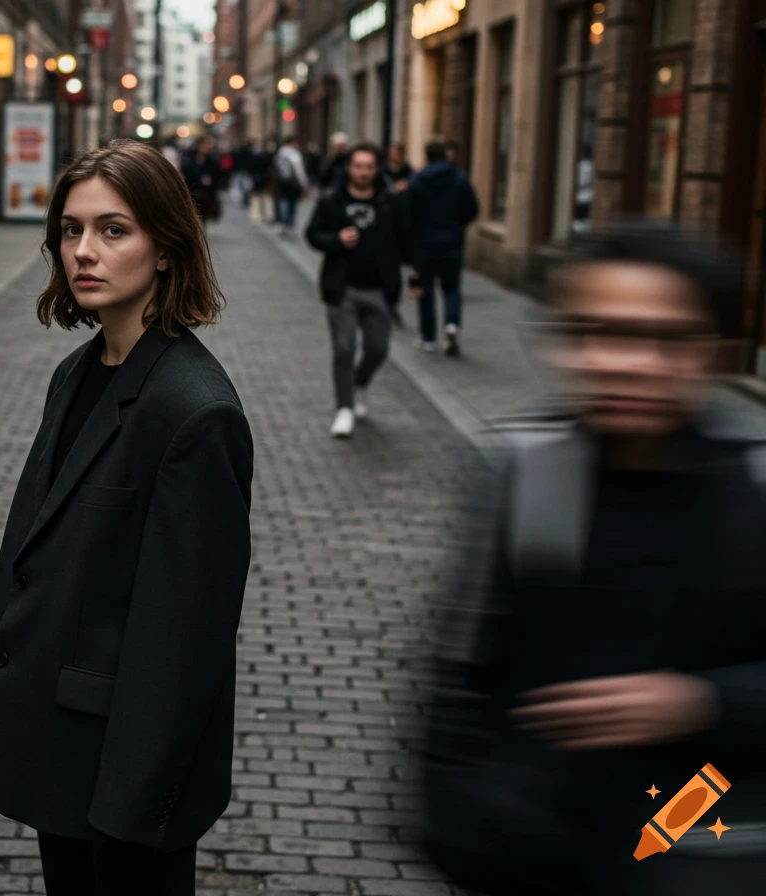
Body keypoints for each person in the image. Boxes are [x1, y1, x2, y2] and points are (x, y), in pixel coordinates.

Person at [422, 220, 766, 896]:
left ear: (714, 353)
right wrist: (476, 820)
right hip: (533, 842)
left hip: (697, 824)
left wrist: (703, 702)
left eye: (664, 339)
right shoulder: (523, 471)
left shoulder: (754, 487)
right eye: (595, 331)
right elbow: (461, 681)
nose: (625, 361)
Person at [0, 140, 254, 896]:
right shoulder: (79, 372)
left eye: (113, 230)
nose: (83, 251)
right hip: (59, 746)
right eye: (70, 229)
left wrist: (133, 805)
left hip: (122, 783)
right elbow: (29, 544)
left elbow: (186, 642)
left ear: (165, 248)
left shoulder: (194, 412)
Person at [305, 143, 418, 438]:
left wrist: (415, 272)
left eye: (369, 167)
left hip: (380, 290)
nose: (364, 172)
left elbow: (406, 238)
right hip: (342, 289)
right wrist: (337, 239)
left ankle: (360, 382)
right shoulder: (332, 200)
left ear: (376, 169)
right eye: (358, 166)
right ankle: (345, 408)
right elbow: (312, 234)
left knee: (378, 349)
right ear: (349, 169)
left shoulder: (390, 201)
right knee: (344, 349)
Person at [407, 140, 478, 355]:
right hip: (452, 244)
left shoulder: (418, 181)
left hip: (425, 245)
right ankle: (452, 325)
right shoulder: (460, 179)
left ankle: (428, 338)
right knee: (452, 288)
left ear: (427, 156)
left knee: (425, 291)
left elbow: (410, 215)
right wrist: (456, 225)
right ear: (447, 155)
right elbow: (473, 210)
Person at [273, 136, 310, 237]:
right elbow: (299, 171)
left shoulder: (280, 153)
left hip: (281, 183)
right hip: (292, 184)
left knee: (282, 203)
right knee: (292, 204)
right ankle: (289, 224)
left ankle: (282, 223)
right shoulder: (295, 155)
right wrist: (304, 184)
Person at [182, 137, 223, 226]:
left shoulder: (212, 161)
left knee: (203, 217)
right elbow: (186, 174)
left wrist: (210, 181)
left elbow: (217, 175)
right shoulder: (190, 159)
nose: (206, 148)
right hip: (193, 191)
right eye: (203, 145)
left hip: (206, 193)